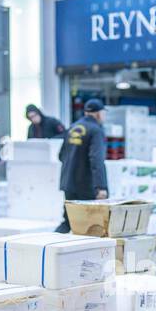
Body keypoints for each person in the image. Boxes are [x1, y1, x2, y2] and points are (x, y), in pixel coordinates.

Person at [56, 99, 109, 233]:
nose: (104, 116)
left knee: (68, 222)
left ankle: (46, 247)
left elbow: (61, 155)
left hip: (68, 184)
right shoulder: (96, 130)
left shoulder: (73, 127)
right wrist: (101, 187)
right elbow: (96, 159)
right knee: (91, 226)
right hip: (86, 187)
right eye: (104, 112)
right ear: (98, 114)